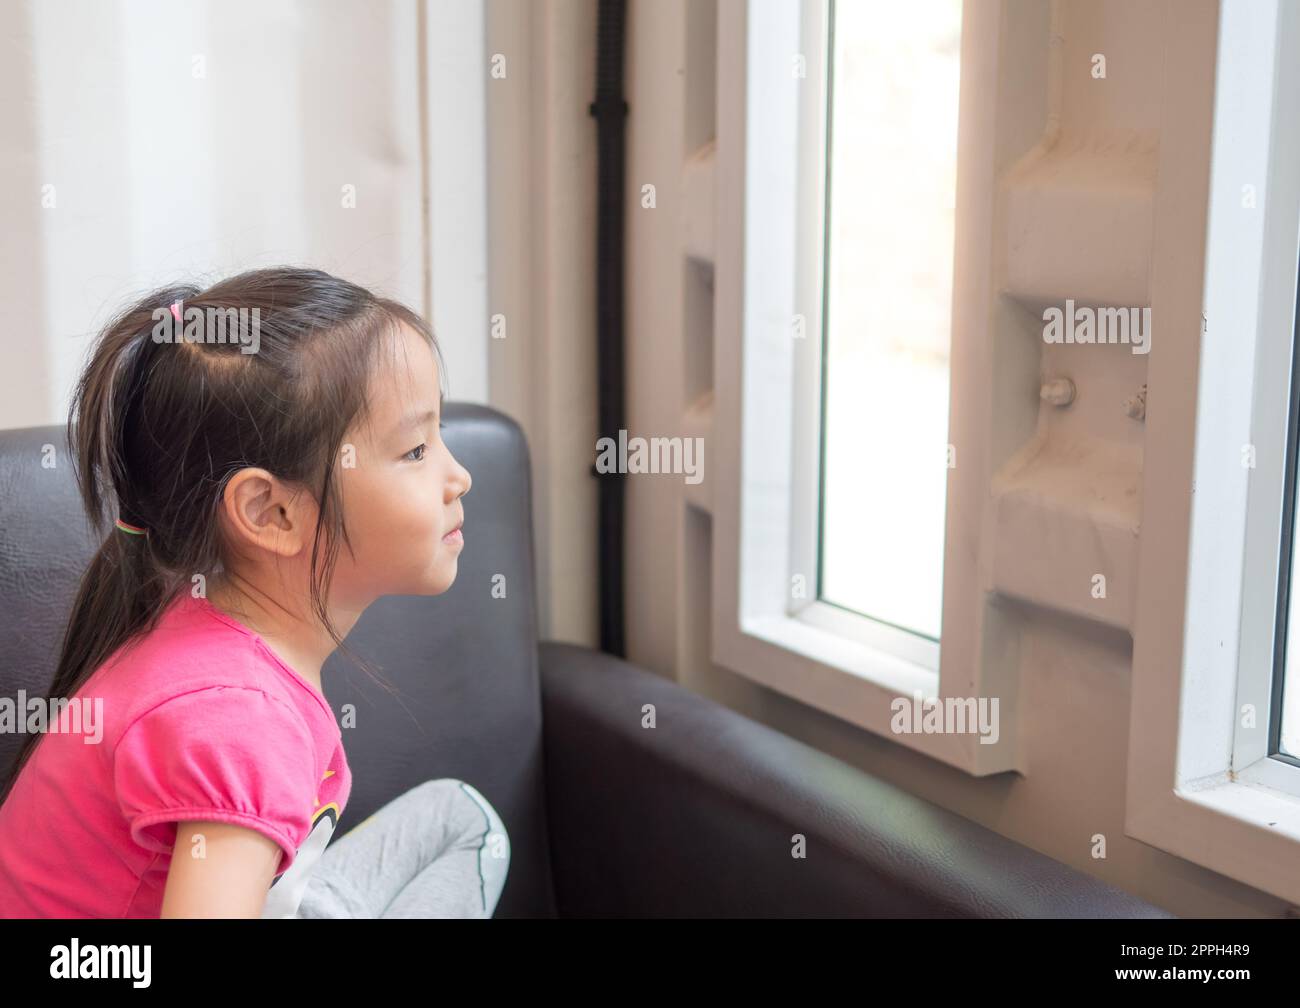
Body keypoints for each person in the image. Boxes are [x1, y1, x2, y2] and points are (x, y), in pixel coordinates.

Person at [0, 267, 509, 918]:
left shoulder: (200, 627)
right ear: (271, 513)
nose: (457, 475)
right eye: (415, 450)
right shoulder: (241, 720)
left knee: (459, 820)